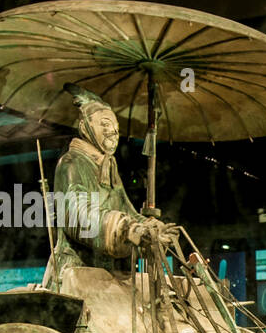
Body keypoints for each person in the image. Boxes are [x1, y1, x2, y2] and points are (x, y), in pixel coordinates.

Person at [43, 86, 181, 291]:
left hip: (109, 275)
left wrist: (152, 228)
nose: (113, 131)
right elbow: (77, 215)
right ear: (84, 127)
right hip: (76, 275)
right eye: (104, 124)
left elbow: (126, 210)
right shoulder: (72, 162)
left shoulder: (109, 167)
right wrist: (126, 229)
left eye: (115, 126)